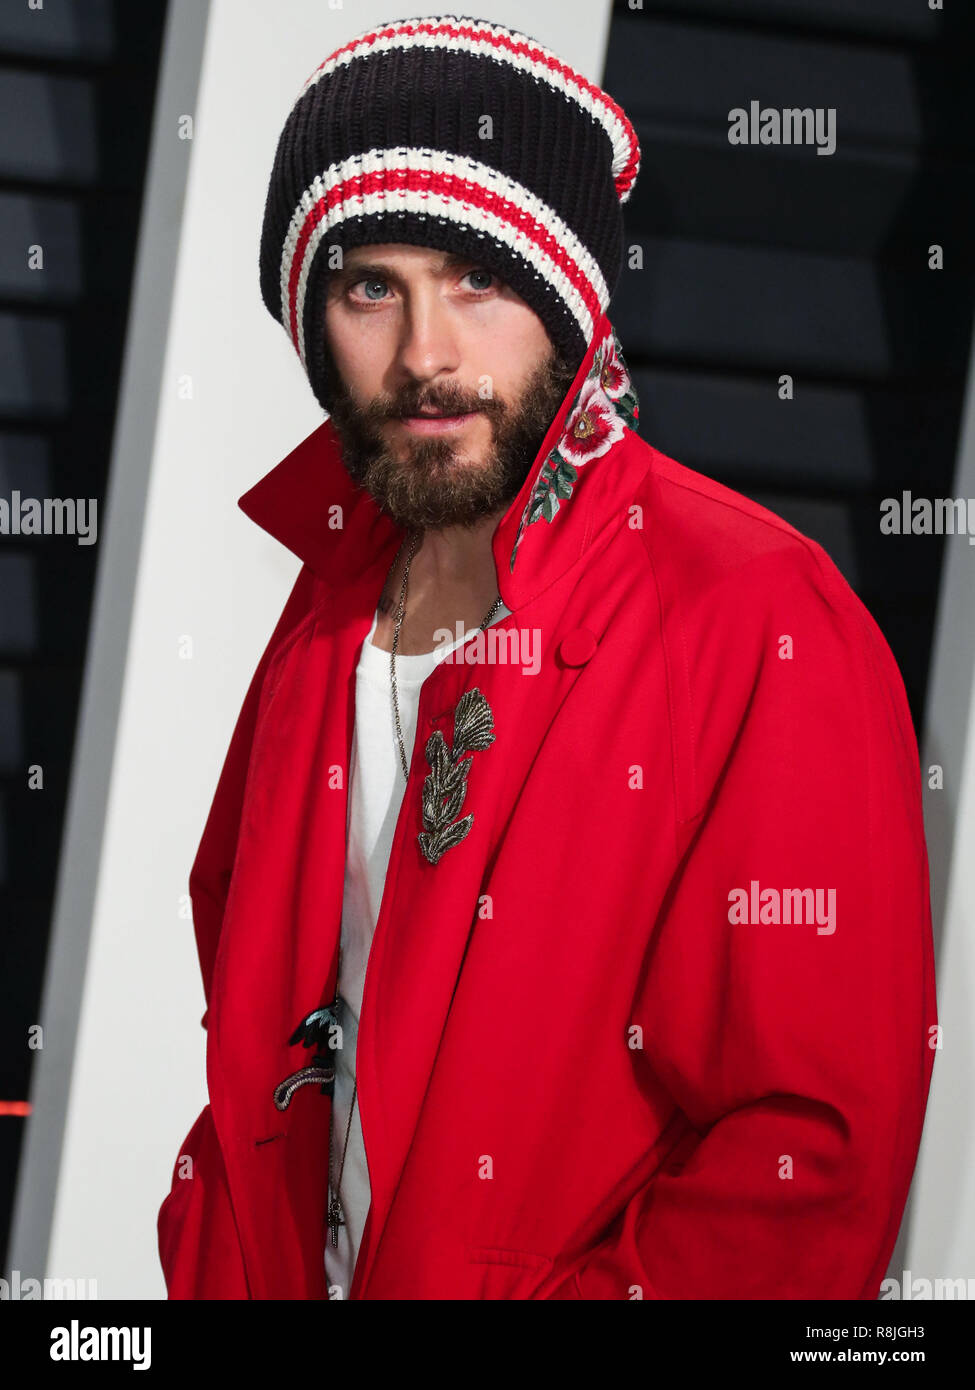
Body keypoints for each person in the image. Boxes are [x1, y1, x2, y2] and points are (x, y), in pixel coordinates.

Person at [157, 14, 938, 1300]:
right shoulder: (324, 616)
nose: (426, 354)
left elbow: (812, 1158)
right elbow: (256, 1054)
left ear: (569, 300)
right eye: (370, 288)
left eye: (479, 279)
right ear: (309, 323)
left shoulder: (752, 615)